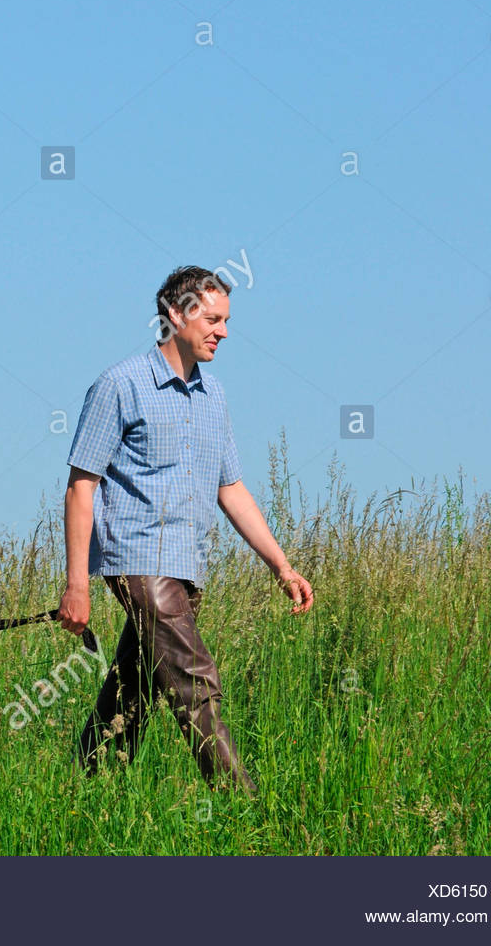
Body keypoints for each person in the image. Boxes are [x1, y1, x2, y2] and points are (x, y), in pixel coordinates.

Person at [58, 265, 314, 795]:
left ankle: (87, 789)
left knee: (137, 686)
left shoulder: (213, 395)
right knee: (194, 683)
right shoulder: (120, 385)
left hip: (186, 564)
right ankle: (242, 803)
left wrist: (281, 566)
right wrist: (77, 584)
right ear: (176, 315)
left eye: (226, 320)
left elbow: (231, 490)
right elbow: (81, 485)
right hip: (139, 559)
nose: (224, 331)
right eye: (213, 319)